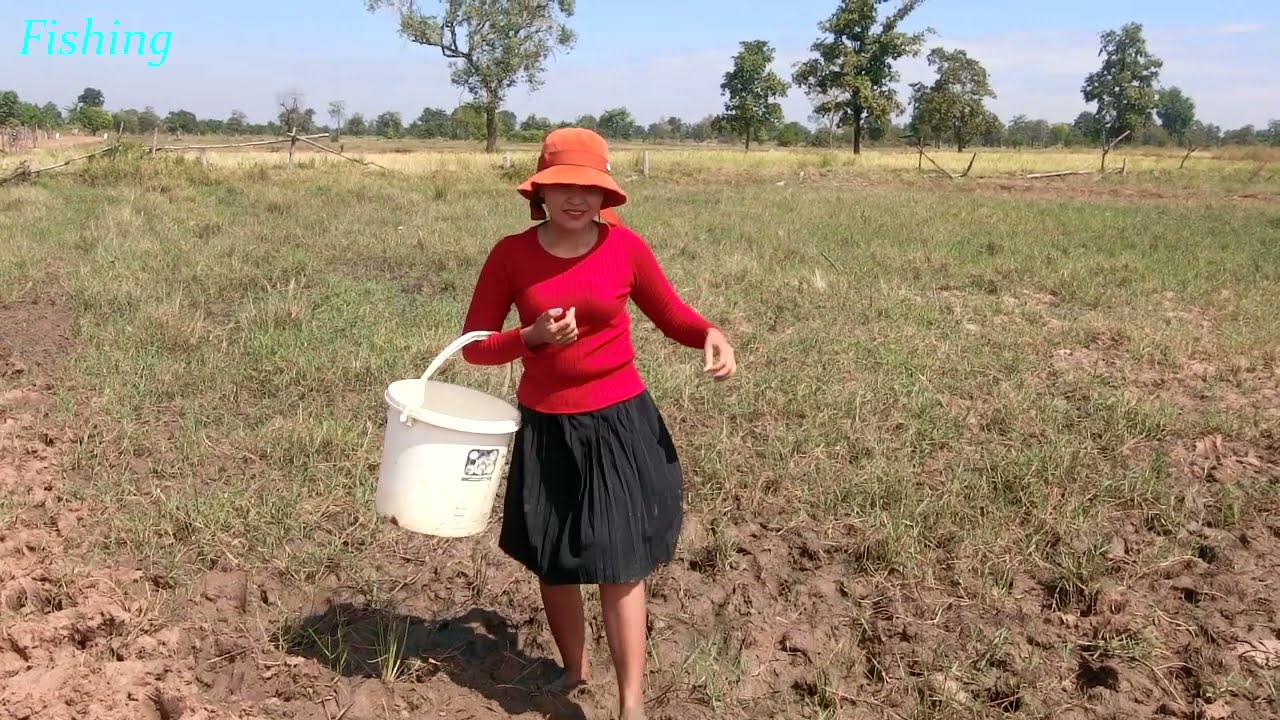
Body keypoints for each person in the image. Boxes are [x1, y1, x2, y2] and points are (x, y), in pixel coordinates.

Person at [459, 127, 736, 720]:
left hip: (618, 422)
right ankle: (573, 668)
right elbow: (474, 347)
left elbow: (670, 314)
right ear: (541, 191)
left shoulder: (624, 248)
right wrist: (528, 337)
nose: (577, 198)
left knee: (618, 562)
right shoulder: (511, 254)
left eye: (590, 186)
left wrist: (710, 333)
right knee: (555, 559)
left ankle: (630, 703)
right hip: (546, 424)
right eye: (563, 186)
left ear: (606, 193)